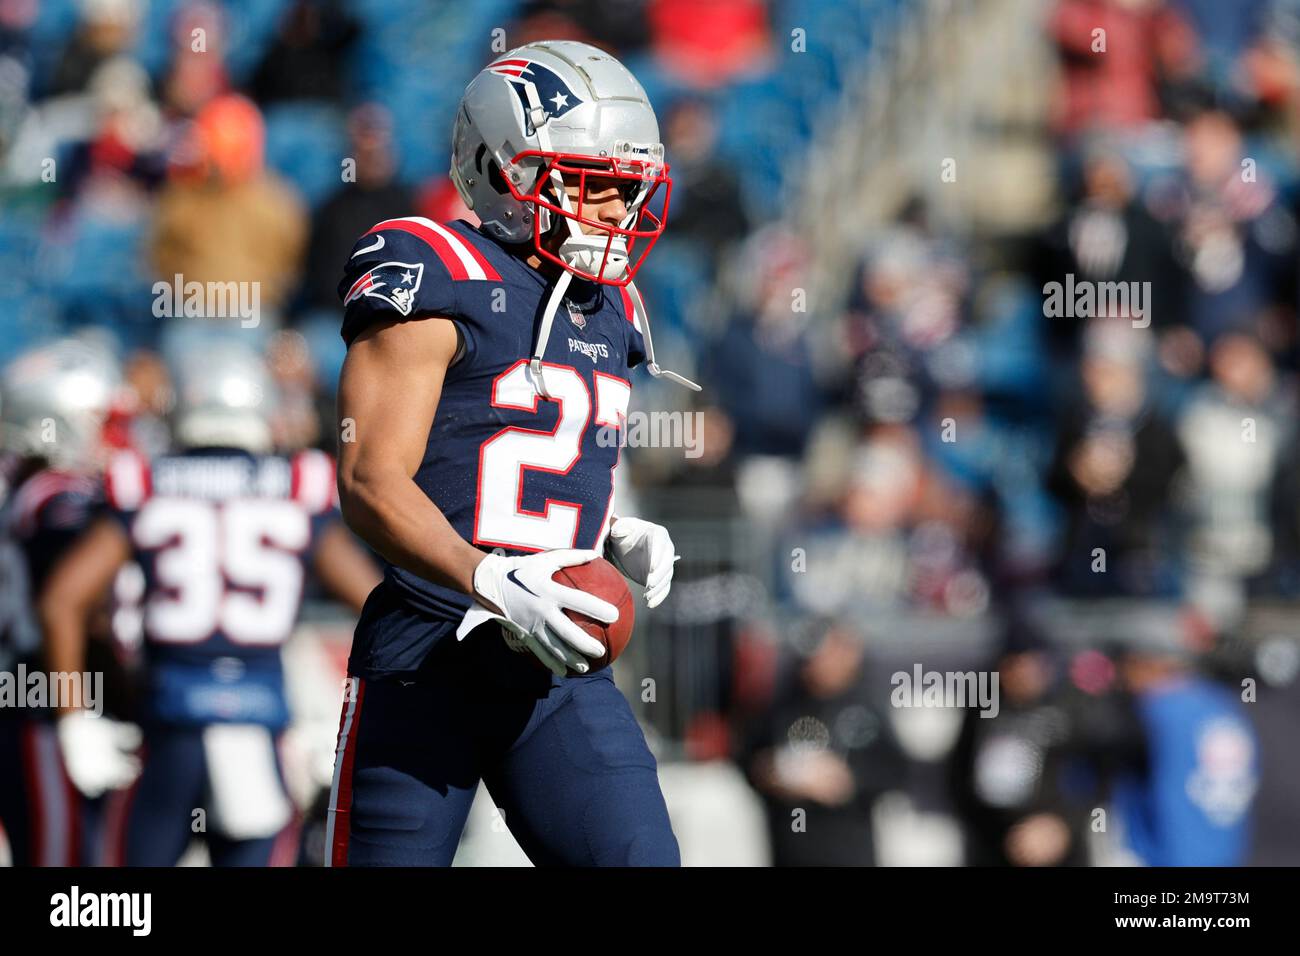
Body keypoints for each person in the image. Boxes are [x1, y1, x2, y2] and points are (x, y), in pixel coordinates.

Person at [328, 40, 692, 867]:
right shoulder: (433, 267)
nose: (619, 213)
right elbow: (367, 478)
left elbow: (514, 467)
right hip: (427, 653)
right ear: (507, 173)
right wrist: (488, 577)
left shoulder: (613, 307)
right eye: (597, 186)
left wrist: (603, 533)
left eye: (629, 190)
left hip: (554, 673)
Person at [40, 341, 379, 866]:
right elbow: (374, 605)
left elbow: (63, 600)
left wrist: (72, 717)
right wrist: (342, 722)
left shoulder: (148, 481)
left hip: (170, 721)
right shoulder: (297, 484)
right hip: (259, 721)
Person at [0, 338, 124, 866]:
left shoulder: (24, 486)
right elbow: (77, 606)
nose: (116, 436)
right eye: (104, 420)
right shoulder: (60, 498)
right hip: (47, 702)